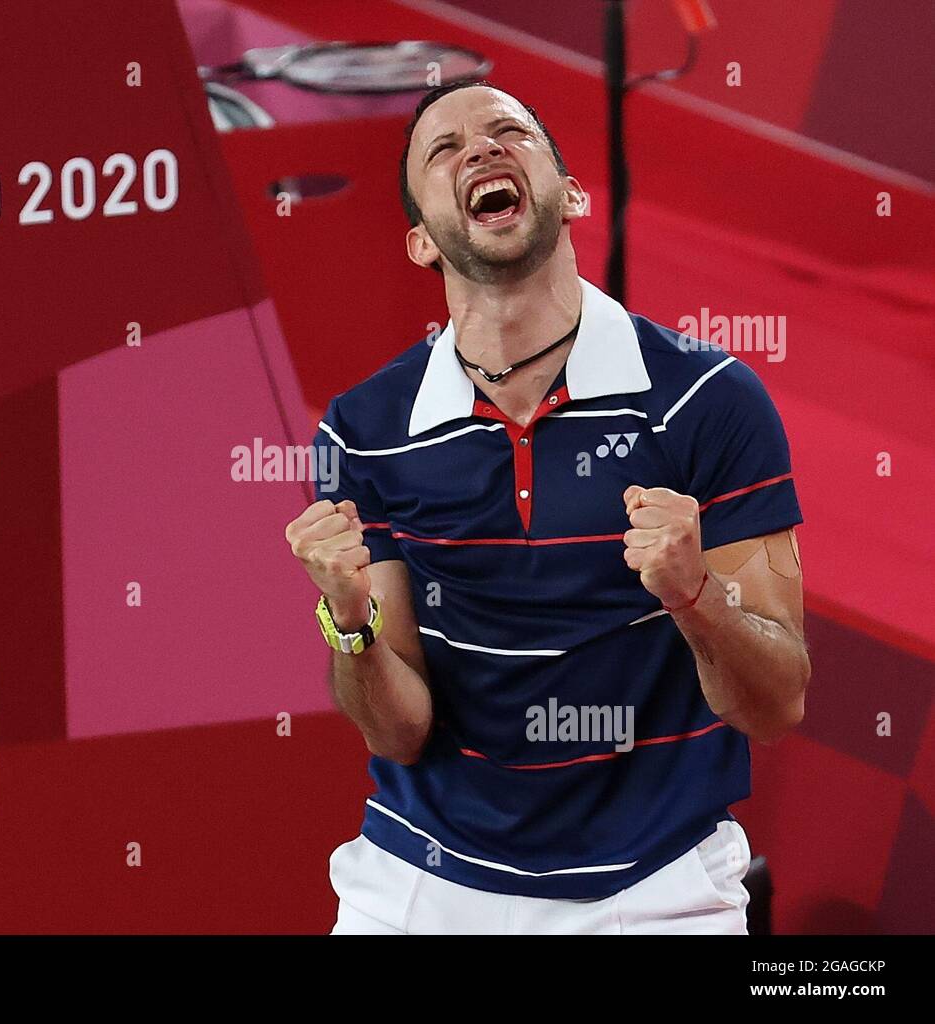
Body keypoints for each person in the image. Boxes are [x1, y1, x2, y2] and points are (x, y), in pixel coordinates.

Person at [285, 81, 809, 935]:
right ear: (421, 240)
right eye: (444, 150)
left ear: (569, 195)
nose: (482, 151)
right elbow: (398, 734)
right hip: (423, 880)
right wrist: (350, 624)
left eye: (508, 133)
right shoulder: (363, 430)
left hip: (658, 888)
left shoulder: (710, 399)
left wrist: (693, 596)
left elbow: (778, 704)